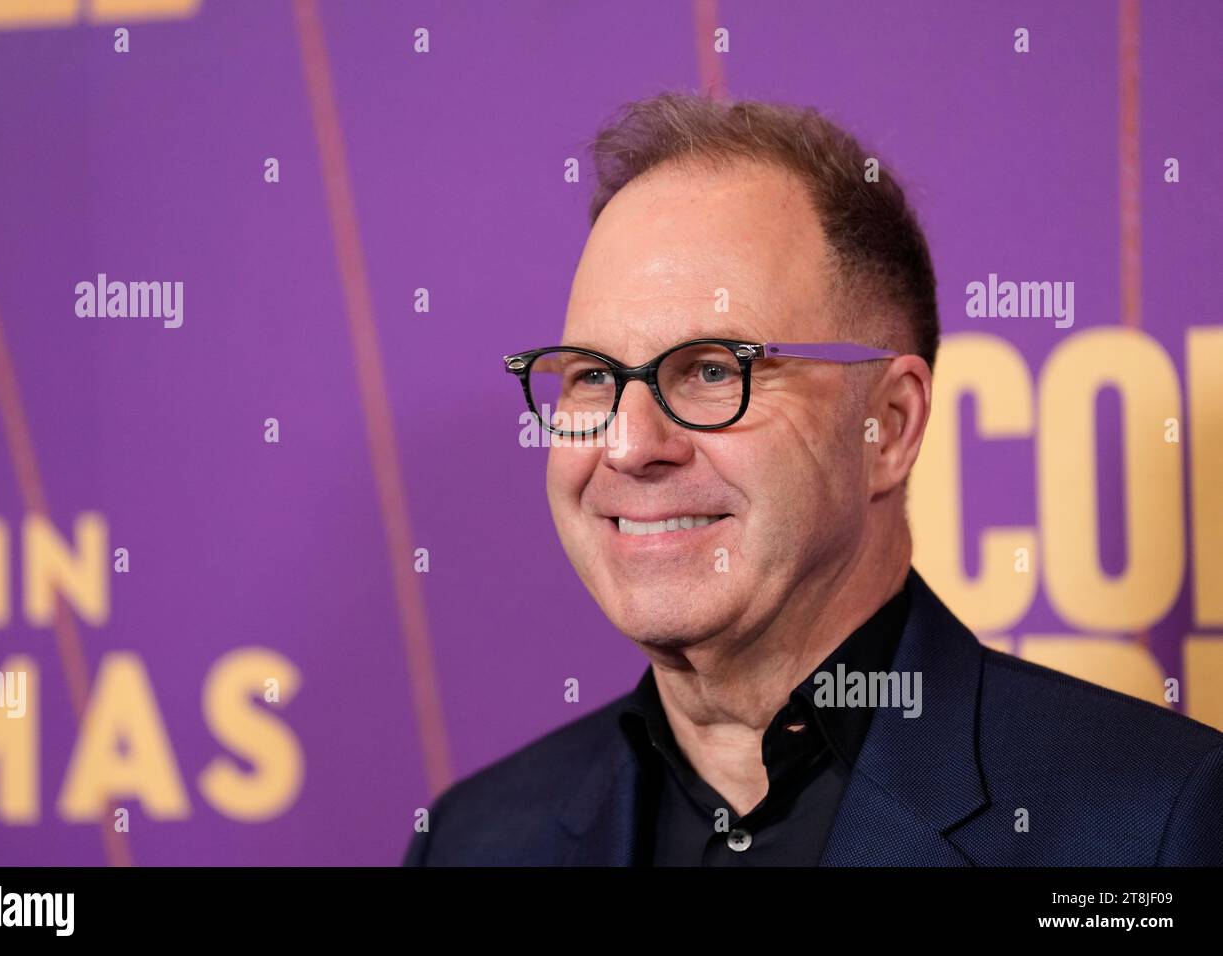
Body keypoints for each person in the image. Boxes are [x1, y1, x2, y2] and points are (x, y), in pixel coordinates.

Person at [402, 92, 1223, 866]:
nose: (629, 445)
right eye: (591, 376)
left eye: (713, 370)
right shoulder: (474, 842)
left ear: (889, 426)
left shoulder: (1151, 824)